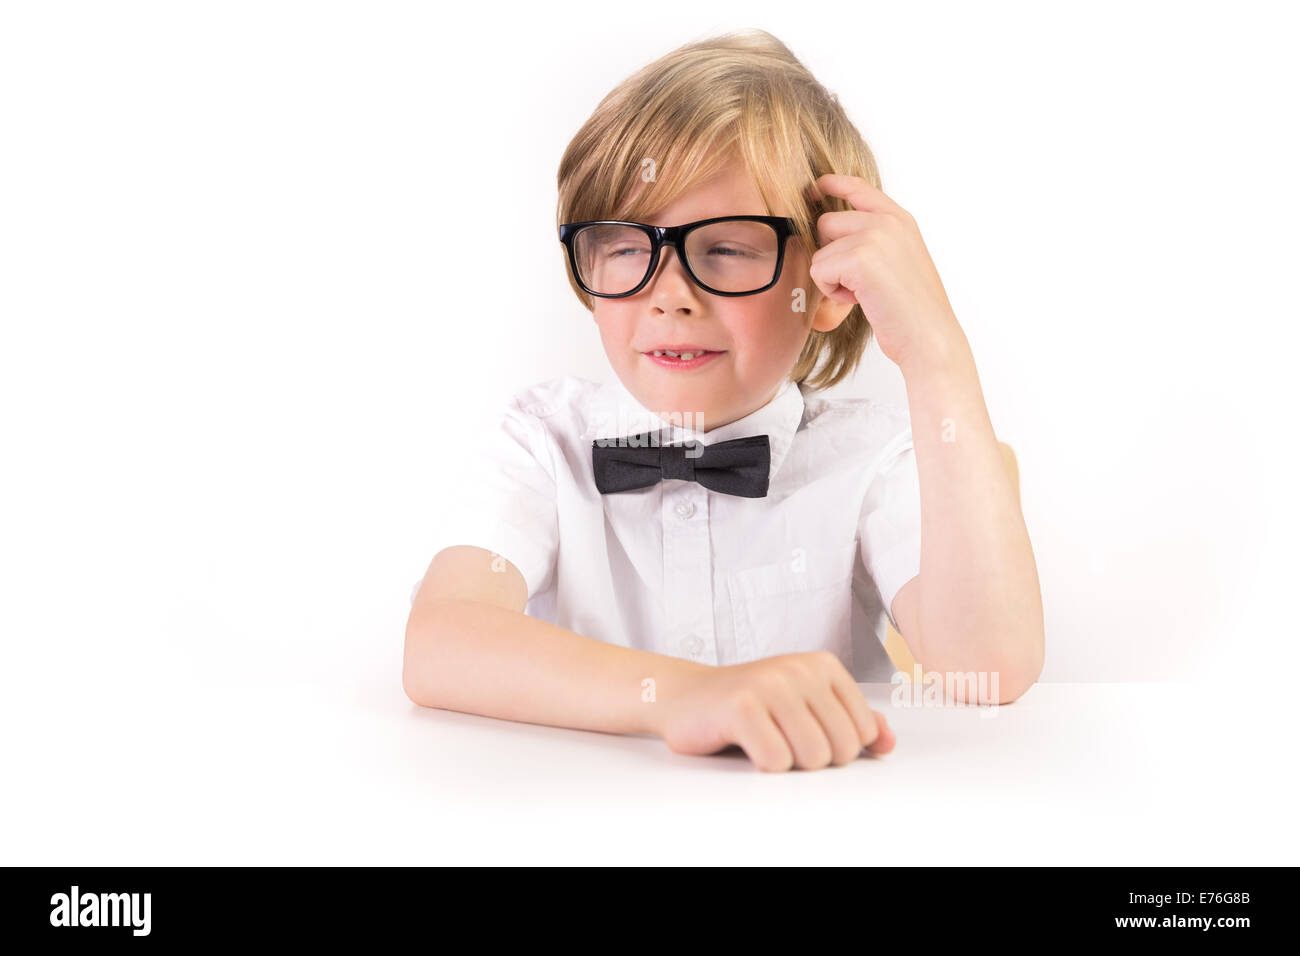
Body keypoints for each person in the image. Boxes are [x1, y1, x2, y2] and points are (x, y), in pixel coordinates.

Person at [404, 29, 1044, 772]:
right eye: (625, 246)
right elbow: (440, 642)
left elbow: (990, 665)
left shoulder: (877, 460)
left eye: (728, 248)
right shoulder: (543, 441)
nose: (669, 295)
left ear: (831, 286)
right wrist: (687, 696)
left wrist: (937, 355)